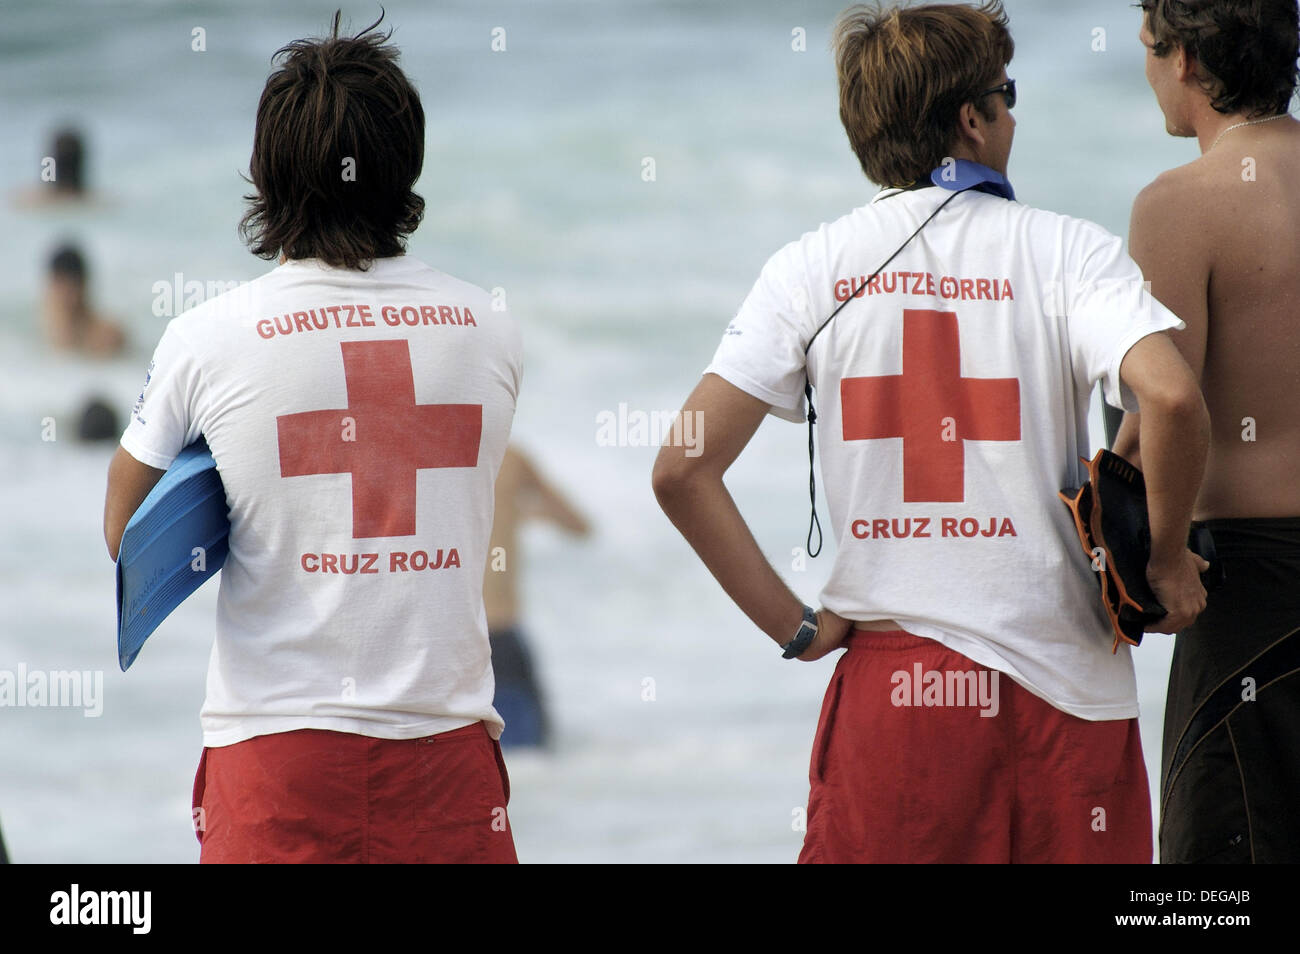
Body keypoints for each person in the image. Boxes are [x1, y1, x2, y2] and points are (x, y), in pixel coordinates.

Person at [653, 0, 1211, 864]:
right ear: (971, 119)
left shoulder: (811, 266)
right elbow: (1171, 399)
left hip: (896, 703)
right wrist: (1167, 562)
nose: (1014, 116)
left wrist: (796, 627)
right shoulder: (1069, 252)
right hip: (1063, 696)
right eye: (1007, 94)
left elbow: (681, 468)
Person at [103, 11, 523, 864]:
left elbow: (126, 532)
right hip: (447, 765)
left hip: (274, 767)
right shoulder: (490, 327)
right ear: (407, 164)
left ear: (267, 172)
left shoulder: (207, 338)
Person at [1114, 0, 1300, 864]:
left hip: (1250, 600)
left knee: (1214, 887)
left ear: (1186, 61)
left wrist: (1152, 557)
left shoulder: (1180, 205)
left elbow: (1163, 410)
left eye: (1150, 49)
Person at [484, 444, 590, 748]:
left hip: (441, 640)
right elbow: (580, 526)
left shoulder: (426, 456)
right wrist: (528, 512)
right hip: (500, 630)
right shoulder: (511, 459)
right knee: (529, 755)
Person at [43, 244, 125, 356]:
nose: (63, 295)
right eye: (58, 286)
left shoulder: (107, 335)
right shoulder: (46, 324)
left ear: (83, 285)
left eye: (69, 287)